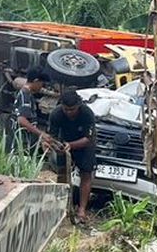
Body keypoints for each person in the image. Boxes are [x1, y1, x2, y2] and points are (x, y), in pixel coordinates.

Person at [46, 88, 97, 224]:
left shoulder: (87, 113)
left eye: (72, 109)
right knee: (62, 173)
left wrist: (71, 145)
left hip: (84, 145)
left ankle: (82, 209)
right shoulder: (56, 114)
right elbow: (52, 136)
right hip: (64, 144)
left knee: (86, 174)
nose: (69, 112)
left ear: (78, 105)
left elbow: (89, 138)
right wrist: (55, 146)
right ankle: (62, 205)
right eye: (66, 109)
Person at [10, 69, 48, 152]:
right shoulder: (25, 96)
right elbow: (22, 120)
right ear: (36, 81)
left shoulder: (27, 94)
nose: (41, 87)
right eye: (42, 84)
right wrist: (41, 134)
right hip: (20, 143)